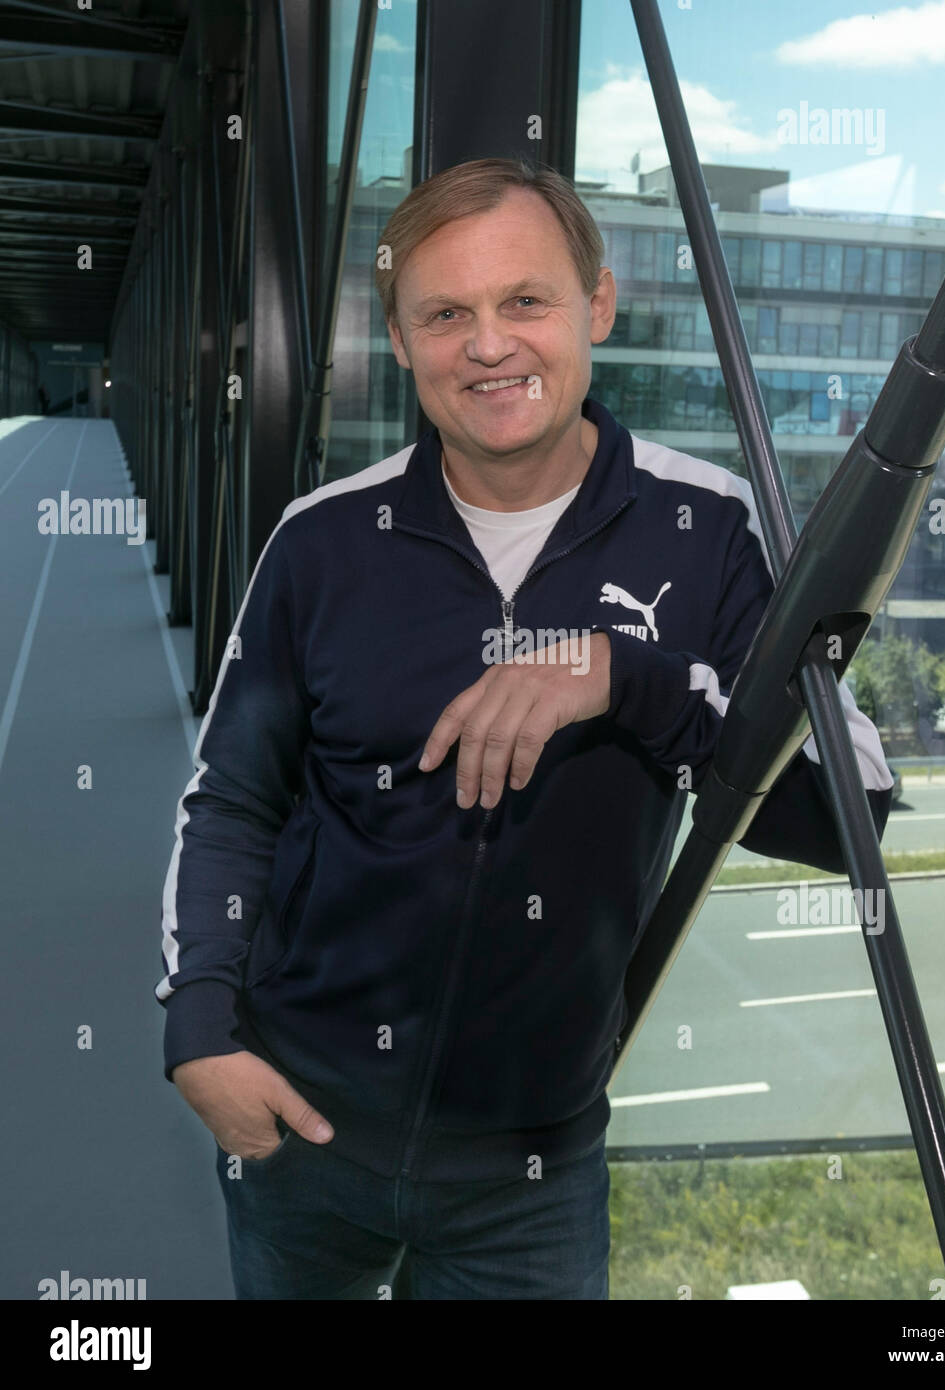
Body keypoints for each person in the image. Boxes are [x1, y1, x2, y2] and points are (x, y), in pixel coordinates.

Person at [157, 157, 893, 1301]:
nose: (487, 345)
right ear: (399, 341)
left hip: (531, 1169)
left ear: (595, 304)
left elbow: (851, 812)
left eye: (525, 301)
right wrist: (200, 1028)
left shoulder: (709, 532)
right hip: (298, 1123)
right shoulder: (319, 542)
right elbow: (233, 802)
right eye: (445, 314)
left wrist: (630, 679)